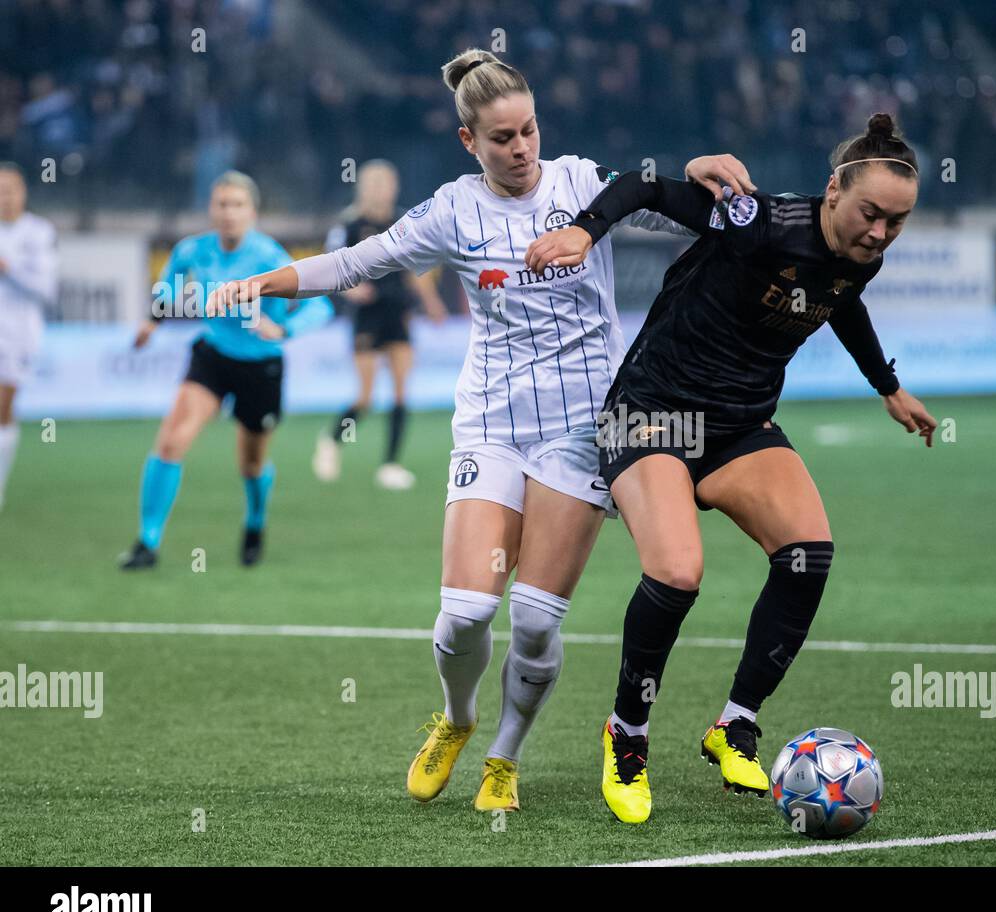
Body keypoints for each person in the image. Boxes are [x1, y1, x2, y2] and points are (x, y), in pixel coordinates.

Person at [205, 48, 757, 813]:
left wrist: (695, 173)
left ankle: (505, 756)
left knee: (532, 619)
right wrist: (260, 284)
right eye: (502, 137)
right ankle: (458, 718)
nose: (522, 147)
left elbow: (669, 207)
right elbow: (356, 262)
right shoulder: (452, 211)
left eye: (529, 130)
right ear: (470, 141)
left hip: (580, 426)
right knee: (465, 615)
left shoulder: (581, 183)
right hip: (491, 423)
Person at [524, 112, 938, 824]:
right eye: (871, 213)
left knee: (808, 554)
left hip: (738, 424)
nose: (879, 233)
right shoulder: (758, 221)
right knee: (678, 573)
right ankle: (627, 733)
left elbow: (842, 300)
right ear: (833, 190)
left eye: (895, 222)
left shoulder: (861, 256)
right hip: (650, 412)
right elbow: (645, 187)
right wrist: (585, 232)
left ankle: (736, 725)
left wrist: (888, 387)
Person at [120, 171, 334, 569]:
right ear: (211, 209)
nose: (229, 212)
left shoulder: (269, 257)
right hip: (213, 357)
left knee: (250, 464)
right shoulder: (193, 249)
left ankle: (255, 523)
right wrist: (152, 321)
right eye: (222, 204)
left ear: (252, 212)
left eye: (237, 205)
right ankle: (147, 543)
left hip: (261, 367)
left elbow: (320, 305)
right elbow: (169, 286)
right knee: (171, 441)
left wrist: (283, 329)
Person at [313, 159, 450, 491]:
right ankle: (331, 441)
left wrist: (431, 302)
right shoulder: (349, 225)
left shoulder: (403, 221)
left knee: (401, 393)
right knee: (365, 396)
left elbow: (416, 268)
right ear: (363, 189)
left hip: (398, 312)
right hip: (367, 316)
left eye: (386, 184)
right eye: (375, 185)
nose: (381, 191)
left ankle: (390, 464)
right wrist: (352, 290)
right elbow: (333, 267)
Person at [0, 162, 57, 512]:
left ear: (23, 193)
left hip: (17, 336)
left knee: (2, 408)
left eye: (10, 191)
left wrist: (8, 267)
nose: (5, 198)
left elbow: (46, 288)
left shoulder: (38, 232)